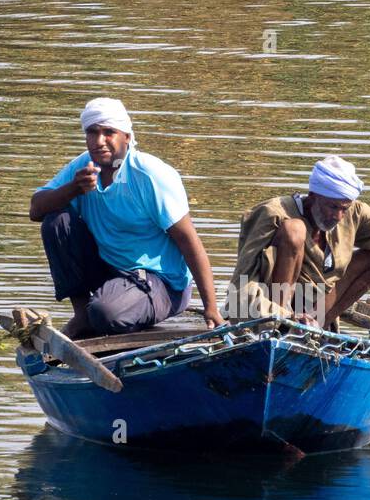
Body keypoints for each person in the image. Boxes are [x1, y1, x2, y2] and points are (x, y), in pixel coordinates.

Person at [30, 98, 225, 338]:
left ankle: (104, 313)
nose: (99, 141)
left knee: (104, 312)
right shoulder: (83, 166)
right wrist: (74, 188)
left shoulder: (150, 174)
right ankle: (81, 316)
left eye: (109, 132)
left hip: (160, 282)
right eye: (92, 133)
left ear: (127, 137)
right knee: (57, 221)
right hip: (111, 271)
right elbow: (36, 210)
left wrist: (211, 308)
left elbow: (189, 241)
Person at [225, 155, 370, 328]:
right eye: (332, 207)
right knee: (294, 230)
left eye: (343, 209)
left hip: (316, 312)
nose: (338, 217)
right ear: (313, 196)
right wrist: (284, 316)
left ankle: (315, 329)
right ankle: (281, 329)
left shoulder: (353, 214)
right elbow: (241, 289)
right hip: (271, 315)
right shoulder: (272, 213)